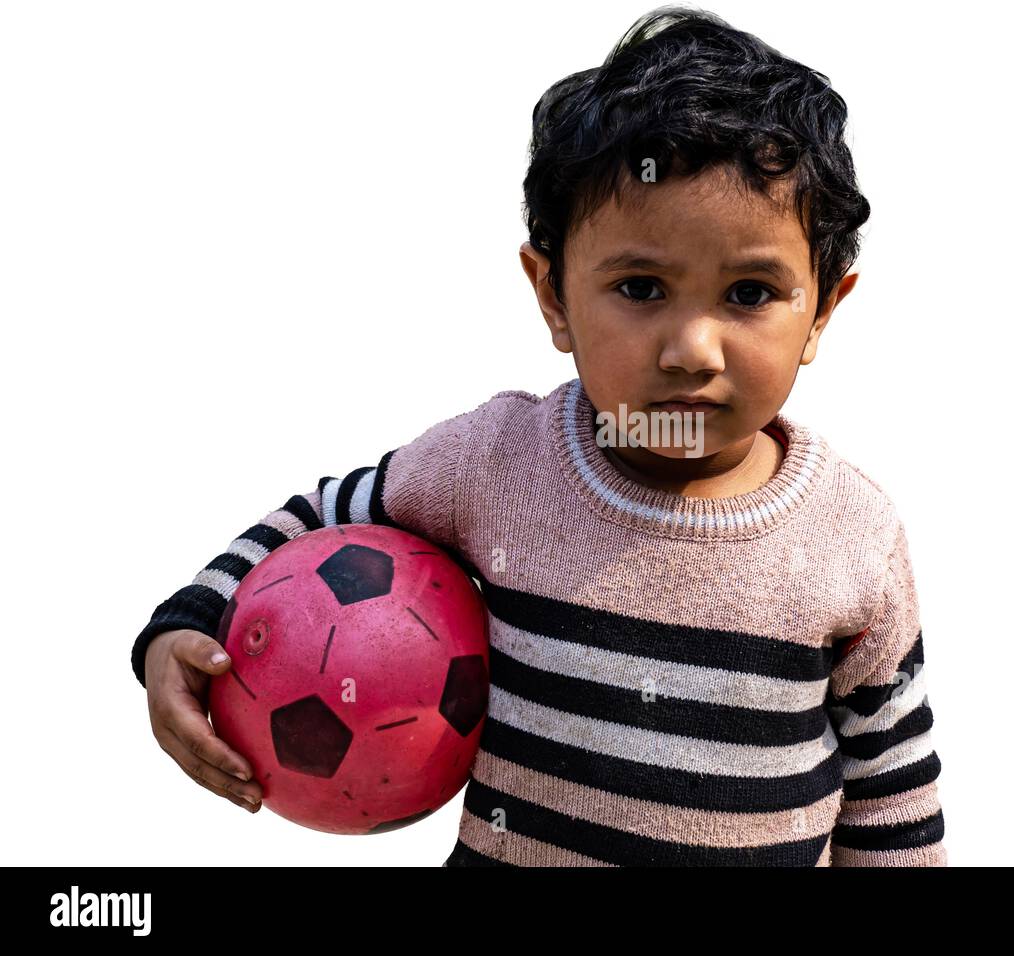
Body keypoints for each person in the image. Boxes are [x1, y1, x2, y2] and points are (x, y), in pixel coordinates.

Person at [133, 5, 947, 866]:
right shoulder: (499, 464)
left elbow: (894, 795)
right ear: (553, 293)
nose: (690, 350)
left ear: (822, 309)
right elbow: (322, 513)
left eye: (749, 293)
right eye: (639, 287)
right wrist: (181, 629)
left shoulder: (852, 538)